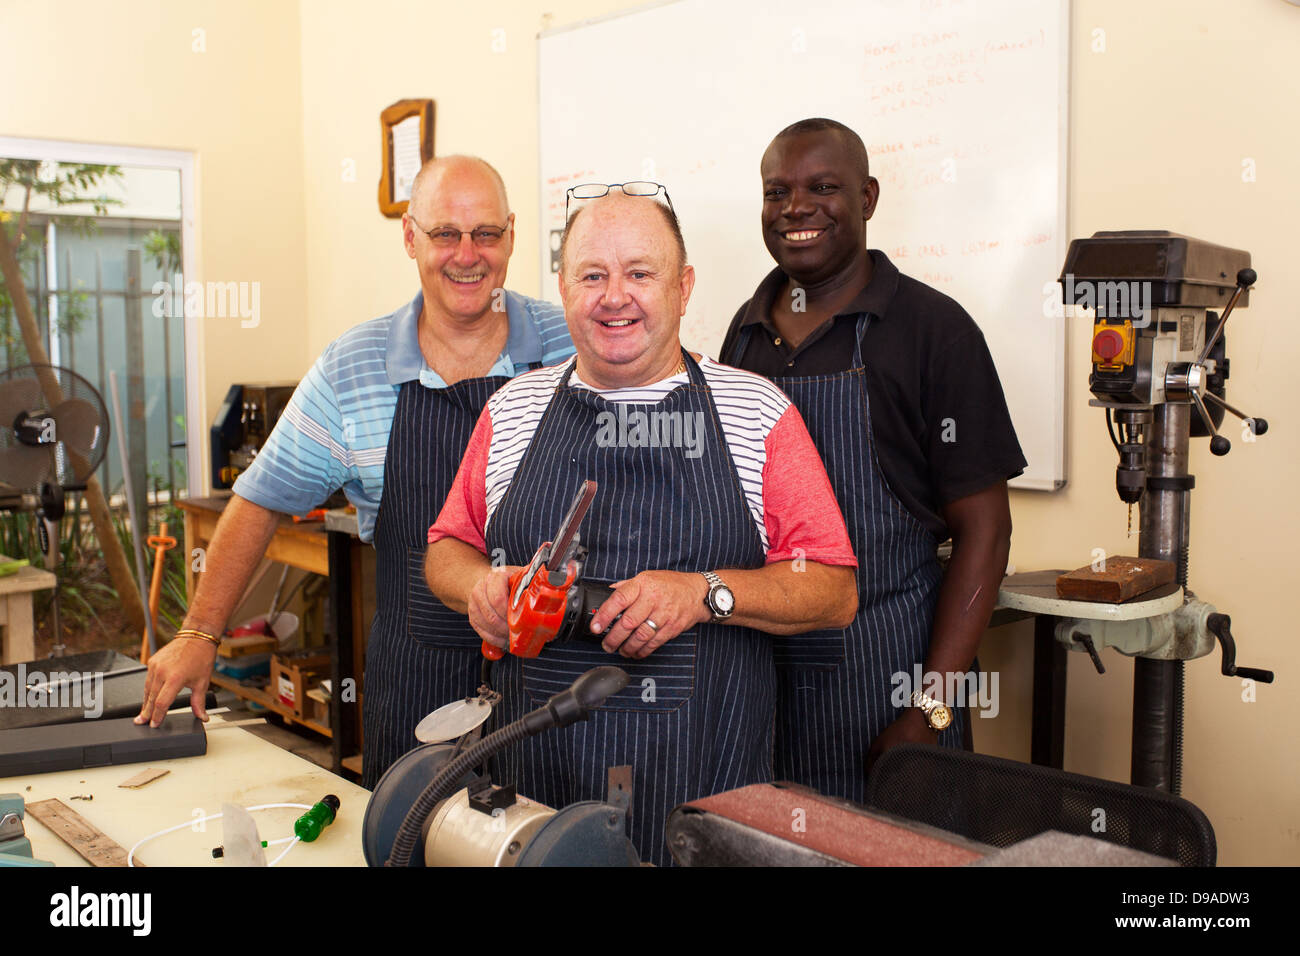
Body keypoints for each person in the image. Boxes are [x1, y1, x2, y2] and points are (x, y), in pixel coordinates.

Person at [425, 186, 858, 865]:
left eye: (639, 273)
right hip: (530, 790)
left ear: (683, 288)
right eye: (592, 275)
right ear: (563, 289)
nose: (614, 296)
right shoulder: (512, 409)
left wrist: (704, 593)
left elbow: (833, 589)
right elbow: (447, 547)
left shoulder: (755, 411)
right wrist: (478, 587)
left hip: (702, 785)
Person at [135, 156, 574, 789]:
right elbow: (260, 500)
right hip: (417, 690)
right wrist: (199, 633)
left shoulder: (573, 345)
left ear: (511, 234)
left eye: (485, 233)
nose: (467, 254)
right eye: (445, 234)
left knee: (552, 836)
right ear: (410, 237)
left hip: (556, 685)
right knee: (411, 834)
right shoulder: (354, 368)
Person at [720, 118, 1026, 803]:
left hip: (890, 687)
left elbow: (986, 533)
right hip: (760, 687)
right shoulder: (744, 333)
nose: (796, 208)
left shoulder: (934, 330)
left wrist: (930, 710)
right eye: (777, 192)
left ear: (868, 197)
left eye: (822, 188)